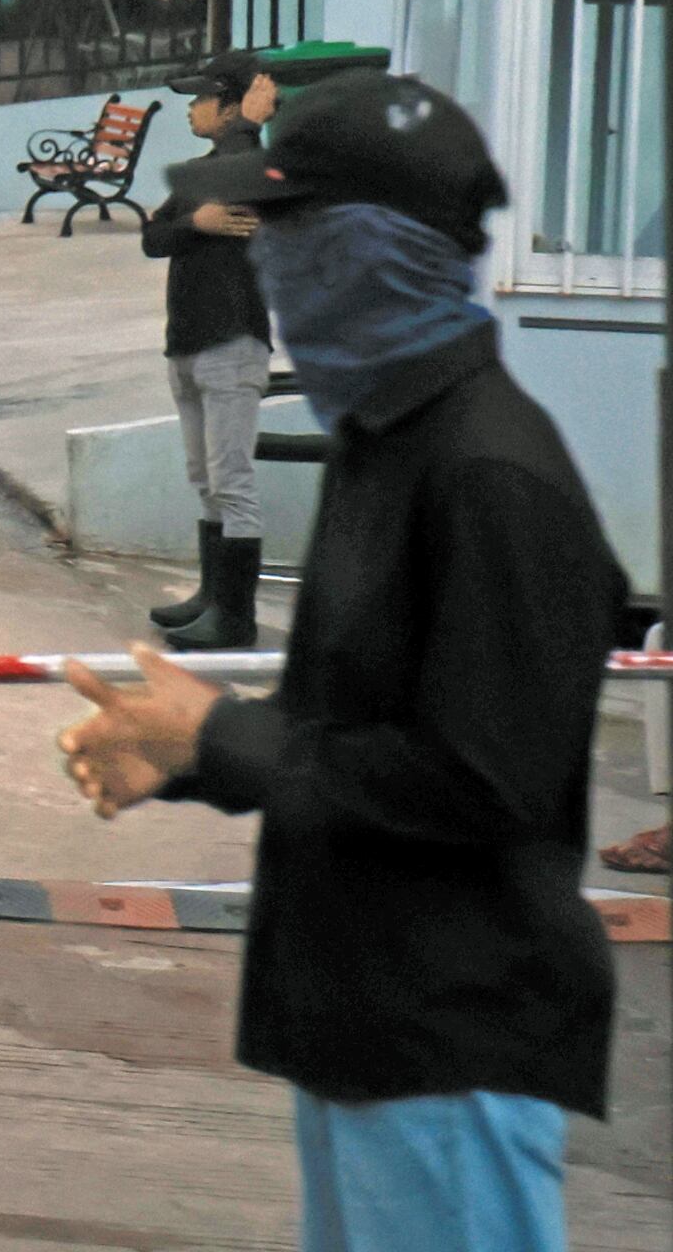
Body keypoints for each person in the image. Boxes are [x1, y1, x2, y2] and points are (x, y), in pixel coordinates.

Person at [57, 71, 623, 1252]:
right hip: (365, 1023)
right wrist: (192, 753)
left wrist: (218, 738)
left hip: (447, 1043)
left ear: (371, 254)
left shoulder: (491, 478)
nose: (273, 272)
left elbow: (478, 780)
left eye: (293, 239)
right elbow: (350, 717)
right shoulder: (387, 439)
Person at [142, 54, 279, 649]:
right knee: (205, 477)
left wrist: (250, 127)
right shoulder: (204, 172)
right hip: (190, 343)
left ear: (231, 107)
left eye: (201, 100)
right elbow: (152, 237)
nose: (191, 109)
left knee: (233, 480)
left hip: (232, 343)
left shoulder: (253, 163)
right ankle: (212, 597)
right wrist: (196, 222)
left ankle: (236, 619)